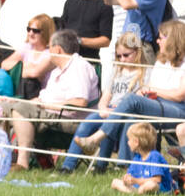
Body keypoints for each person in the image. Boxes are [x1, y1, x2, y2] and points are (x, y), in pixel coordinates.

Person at [73, 19, 185, 163]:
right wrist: (145, 93)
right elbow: (150, 88)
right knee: (132, 116)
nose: (157, 41)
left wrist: (152, 90)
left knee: (132, 100)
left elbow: (180, 95)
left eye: (161, 38)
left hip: (177, 111)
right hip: (157, 106)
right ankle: (125, 165)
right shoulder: (160, 62)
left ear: (172, 40)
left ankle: (96, 139)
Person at [6, 28, 100, 170]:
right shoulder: (57, 69)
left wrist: (45, 105)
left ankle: (22, 163)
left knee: (20, 110)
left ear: (57, 49)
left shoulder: (78, 67)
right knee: (2, 107)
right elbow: (43, 98)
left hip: (69, 120)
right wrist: (26, 102)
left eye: (49, 47)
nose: (48, 51)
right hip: (51, 113)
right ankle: (1, 158)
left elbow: (80, 102)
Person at [61, 31, 151, 173]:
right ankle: (67, 165)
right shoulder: (116, 71)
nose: (122, 59)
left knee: (117, 122)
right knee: (88, 122)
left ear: (137, 52)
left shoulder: (145, 73)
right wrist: (102, 108)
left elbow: (142, 99)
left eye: (126, 55)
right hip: (109, 109)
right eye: (118, 56)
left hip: (129, 113)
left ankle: (109, 165)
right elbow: (106, 96)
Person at [0, 14, 56, 99]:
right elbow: (4, 64)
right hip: (23, 90)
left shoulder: (50, 54)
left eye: (35, 31)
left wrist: (17, 69)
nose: (30, 33)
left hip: (40, 96)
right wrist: (26, 65)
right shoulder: (26, 47)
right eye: (28, 29)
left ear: (46, 32)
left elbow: (35, 73)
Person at [111, 122, 173, 195]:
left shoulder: (154, 156)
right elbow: (131, 175)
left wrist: (136, 181)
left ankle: (135, 192)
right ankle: (137, 192)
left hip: (160, 188)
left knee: (151, 185)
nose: (128, 142)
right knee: (115, 182)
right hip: (140, 186)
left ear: (136, 142)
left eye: (129, 139)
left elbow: (157, 180)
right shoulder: (137, 157)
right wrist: (126, 179)